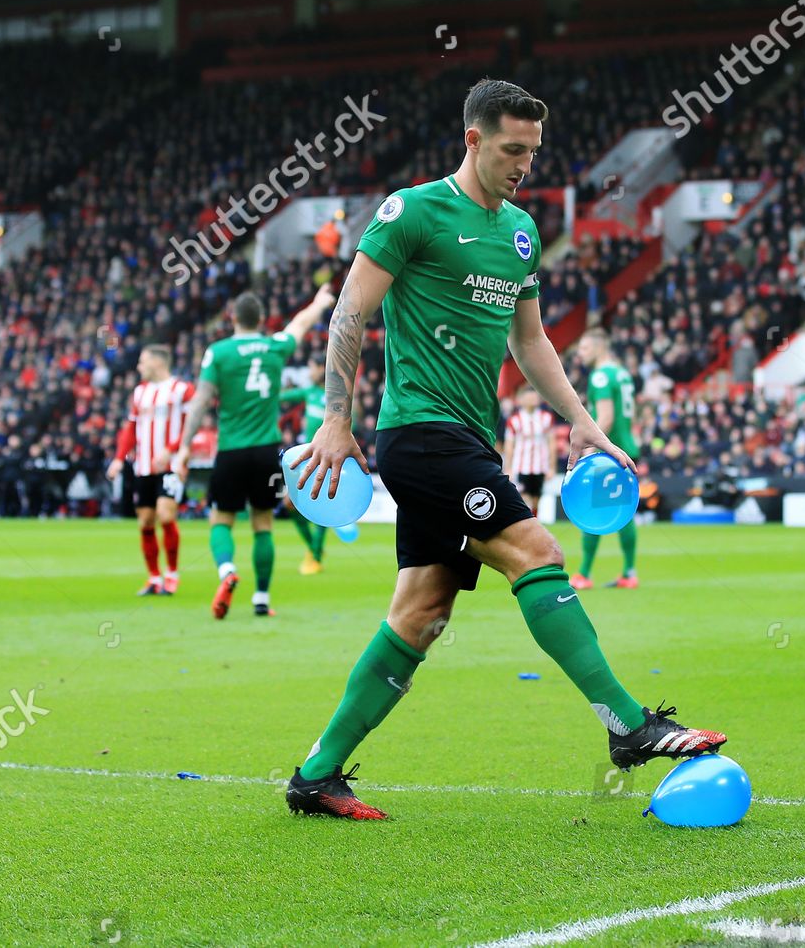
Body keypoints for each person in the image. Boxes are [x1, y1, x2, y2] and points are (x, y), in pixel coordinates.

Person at [284, 78, 726, 821]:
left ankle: (316, 774)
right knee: (537, 550)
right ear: (474, 140)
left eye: (534, 151)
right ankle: (627, 724)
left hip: (465, 435)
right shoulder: (413, 211)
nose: (524, 163)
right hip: (420, 434)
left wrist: (581, 420)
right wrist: (337, 418)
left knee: (422, 611)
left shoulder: (519, 232)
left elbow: (531, 341)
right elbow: (349, 315)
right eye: (513, 149)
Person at [173, 287, 334, 617]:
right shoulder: (274, 345)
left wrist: (185, 446)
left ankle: (227, 571)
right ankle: (261, 598)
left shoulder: (218, 352)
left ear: (232, 318)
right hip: (266, 451)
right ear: (261, 320)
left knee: (221, 520)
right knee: (263, 524)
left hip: (231, 450)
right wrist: (318, 302)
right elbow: (300, 324)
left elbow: (202, 399)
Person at [106, 346, 194, 596]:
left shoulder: (182, 390)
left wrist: (172, 449)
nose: (138, 367)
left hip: (171, 466)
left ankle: (172, 575)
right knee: (145, 521)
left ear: (157, 362)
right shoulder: (140, 393)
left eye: (142, 362)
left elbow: (191, 425)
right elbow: (130, 429)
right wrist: (119, 459)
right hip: (143, 466)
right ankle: (154, 578)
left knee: (166, 516)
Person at [569, 330, 640, 590]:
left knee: (593, 507)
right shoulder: (621, 373)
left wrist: (590, 447)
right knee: (625, 510)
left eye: (585, 348)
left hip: (608, 449)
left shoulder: (600, 376)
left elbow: (607, 417)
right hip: (626, 446)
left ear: (600, 348)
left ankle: (584, 574)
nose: (580, 354)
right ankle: (629, 572)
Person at [280, 359, 331, 574]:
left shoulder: (335, 396)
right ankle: (314, 548)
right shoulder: (309, 392)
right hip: (306, 457)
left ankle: (315, 554)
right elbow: (282, 397)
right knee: (290, 503)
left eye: (312, 367)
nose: (309, 372)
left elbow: (353, 423)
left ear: (322, 368)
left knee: (320, 506)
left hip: (326, 455)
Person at [502, 383, 556, 517]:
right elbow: (509, 445)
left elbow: (551, 443)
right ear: (521, 400)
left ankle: (534, 522)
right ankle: (526, 523)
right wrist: (508, 467)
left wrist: (552, 467)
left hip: (540, 466)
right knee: (524, 498)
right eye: (529, 396)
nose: (533, 399)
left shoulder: (546, 418)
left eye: (534, 396)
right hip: (521, 467)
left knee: (537, 499)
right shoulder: (514, 420)